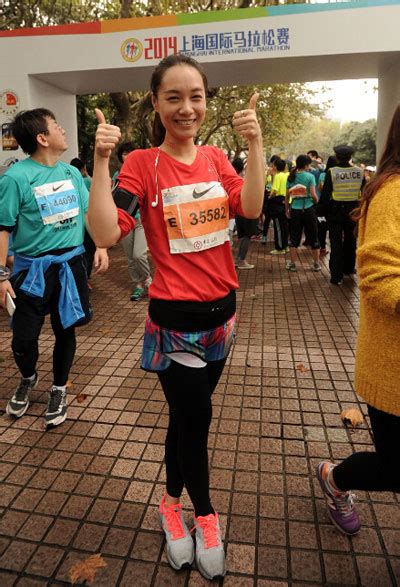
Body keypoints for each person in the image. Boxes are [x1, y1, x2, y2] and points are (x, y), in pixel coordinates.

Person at [88, 54, 264, 580]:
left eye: (196, 97)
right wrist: (101, 160)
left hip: (223, 318)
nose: (186, 108)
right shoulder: (143, 164)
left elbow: (250, 207)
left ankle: (169, 502)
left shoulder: (214, 158)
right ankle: (204, 515)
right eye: (174, 98)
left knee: (185, 419)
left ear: (206, 101)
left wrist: (255, 145)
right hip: (175, 324)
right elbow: (106, 232)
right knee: (198, 421)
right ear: (156, 103)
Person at [316, 104, 400, 535]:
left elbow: (327, 198)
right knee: (396, 466)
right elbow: (381, 273)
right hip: (392, 367)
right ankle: (336, 479)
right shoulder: (387, 189)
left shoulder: (335, 173)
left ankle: (336, 273)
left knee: (342, 253)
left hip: (338, 217)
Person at [0, 108, 108, 428]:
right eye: (56, 126)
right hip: (31, 271)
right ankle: (28, 377)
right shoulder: (16, 178)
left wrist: (101, 245)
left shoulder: (71, 174)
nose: (63, 130)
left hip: (71, 266)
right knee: (23, 339)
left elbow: (87, 214)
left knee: (65, 330)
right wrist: (2, 275)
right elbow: (3, 229)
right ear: (42, 138)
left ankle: (59, 388)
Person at [318, 144, 364, 285]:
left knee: (336, 242)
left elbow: (326, 194)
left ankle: (336, 276)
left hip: (336, 211)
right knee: (351, 240)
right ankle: (349, 268)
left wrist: (320, 212)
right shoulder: (359, 172)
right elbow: (365, 193)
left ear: (337, 157)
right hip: (353, 211)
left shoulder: (332, 172)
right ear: (350, 157)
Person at [113, 142, 152, 300]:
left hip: (141, 221)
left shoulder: (143, 172)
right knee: (130, 257)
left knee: (138, 255)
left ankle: (148, 280)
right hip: (124, 222)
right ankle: (138, 285)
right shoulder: (117, 176)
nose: (128, 156)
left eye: (131, 152)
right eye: (124, 153)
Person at [285, 154, 321, 272]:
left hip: (295, 209)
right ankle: (316, 264)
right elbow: (313, 195)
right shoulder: (310, 176)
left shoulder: (291, 176)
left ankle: (292, 264)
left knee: (294, 237)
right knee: (314, 236)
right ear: (306, 165)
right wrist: (316, 202)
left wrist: (287, 209)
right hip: (309, 209)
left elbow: (287, 196)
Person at [70, 157, 97, 281]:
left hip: (76, 223)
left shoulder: (70, 178)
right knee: (89, 251)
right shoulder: (86, 180)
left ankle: (83, 279)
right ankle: (85, 278)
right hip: (86, 222)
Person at [232, 157, 258, 269]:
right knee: (247, 236)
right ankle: (241, 260)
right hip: (247, 211)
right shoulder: (246, 180)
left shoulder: (232, 179)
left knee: (242, 236)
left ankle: (239, 259)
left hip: (238, 211)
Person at [317, 155, 337, 256]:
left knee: (322, 227)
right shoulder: (336, 174)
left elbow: (319, 189)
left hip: (323, 204)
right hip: (334, 204)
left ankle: (322, 247)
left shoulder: (322, 175)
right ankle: (334, 248)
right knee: (333, 227)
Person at [268, 157, 289, 254]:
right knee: (284, 226)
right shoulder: (286, 175)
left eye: (273, 165)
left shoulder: (278, 176)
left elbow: (275, 190)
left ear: (276, 167)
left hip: (277, 202)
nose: (272, 166)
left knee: (278, 227)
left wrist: (270, 196)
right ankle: (285, 246)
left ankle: (280, 248)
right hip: (285, 201)